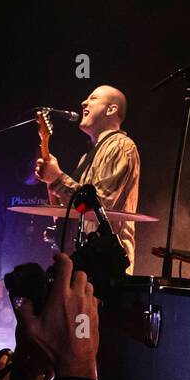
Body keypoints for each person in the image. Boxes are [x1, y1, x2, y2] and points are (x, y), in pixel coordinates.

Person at [34, 85, 141, 268]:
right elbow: (76, 209)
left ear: (111, 109)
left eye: (93, 98)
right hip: (84, 259)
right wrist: (50, 182)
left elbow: (101, 206)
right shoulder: (87, 156)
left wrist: (57, 178)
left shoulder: (121, 146)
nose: (84, 102)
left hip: (106, 264)